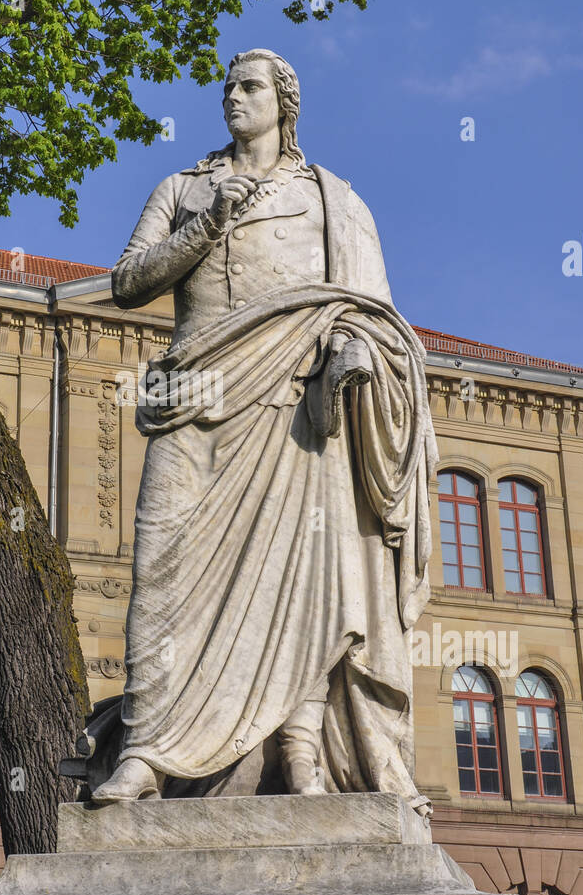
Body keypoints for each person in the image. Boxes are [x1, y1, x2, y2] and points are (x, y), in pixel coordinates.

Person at [92, 49, 437, 818]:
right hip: (193, 395)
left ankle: (299, 750)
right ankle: (145, 752)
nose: (232, 97)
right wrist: (208, 223)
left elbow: (372, 313)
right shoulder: (181, 187)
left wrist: (351, 351)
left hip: (296, 400)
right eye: (226, 87)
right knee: (162, 572)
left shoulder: (330, 198)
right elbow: (127, 282)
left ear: (284, 103)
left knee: (303, 579)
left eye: (248, 86)